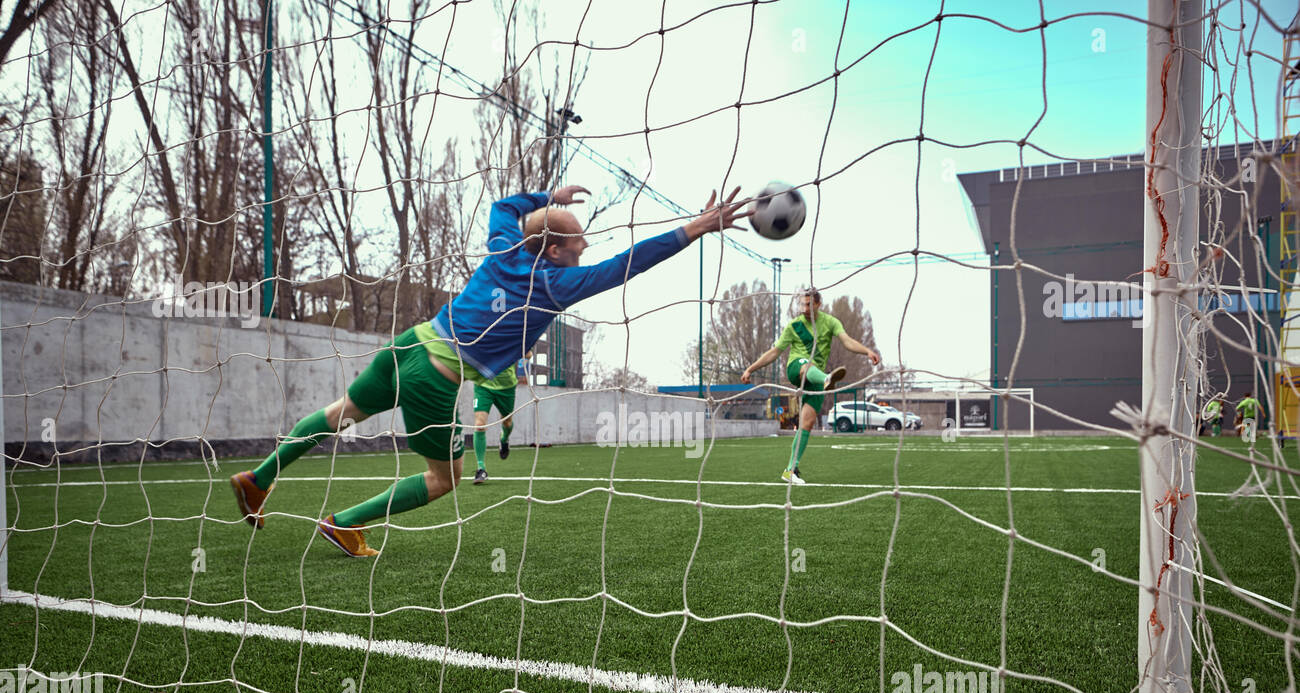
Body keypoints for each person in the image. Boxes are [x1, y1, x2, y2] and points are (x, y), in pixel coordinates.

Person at [230, 183, 752, 555]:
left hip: (409, 343)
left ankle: (259, 477)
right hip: (434, 374)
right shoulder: (553, 283)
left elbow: (504, 205)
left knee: (341, 412)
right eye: (577, 242)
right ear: (552, 249)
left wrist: (549, 199)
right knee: (445, 479)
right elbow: (625, 265)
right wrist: (695, 229)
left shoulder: (503, 247)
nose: (585, 247)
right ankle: (344, 523)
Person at [740, 288, 881, 484]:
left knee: (806, 423)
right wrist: (750, 369)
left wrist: (867, 351)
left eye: (808, 304)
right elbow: (774, 352)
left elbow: (847, 341)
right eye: (802, 304)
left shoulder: (830, 322)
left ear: (817, 304)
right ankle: (825, 379)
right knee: (807, 365)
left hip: (816, 380)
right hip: (796, 369)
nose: (804, 308)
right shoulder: (794, 325)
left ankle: (790, 470)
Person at [470, 350, 530, 484]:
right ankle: (481, 469)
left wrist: (520, 356)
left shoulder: (506, 332)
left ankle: (504, 439)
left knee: (507, 422)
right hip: (483, 385)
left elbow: (529, 354)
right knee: (479, 425)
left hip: (506, 387)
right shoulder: (479, 333)